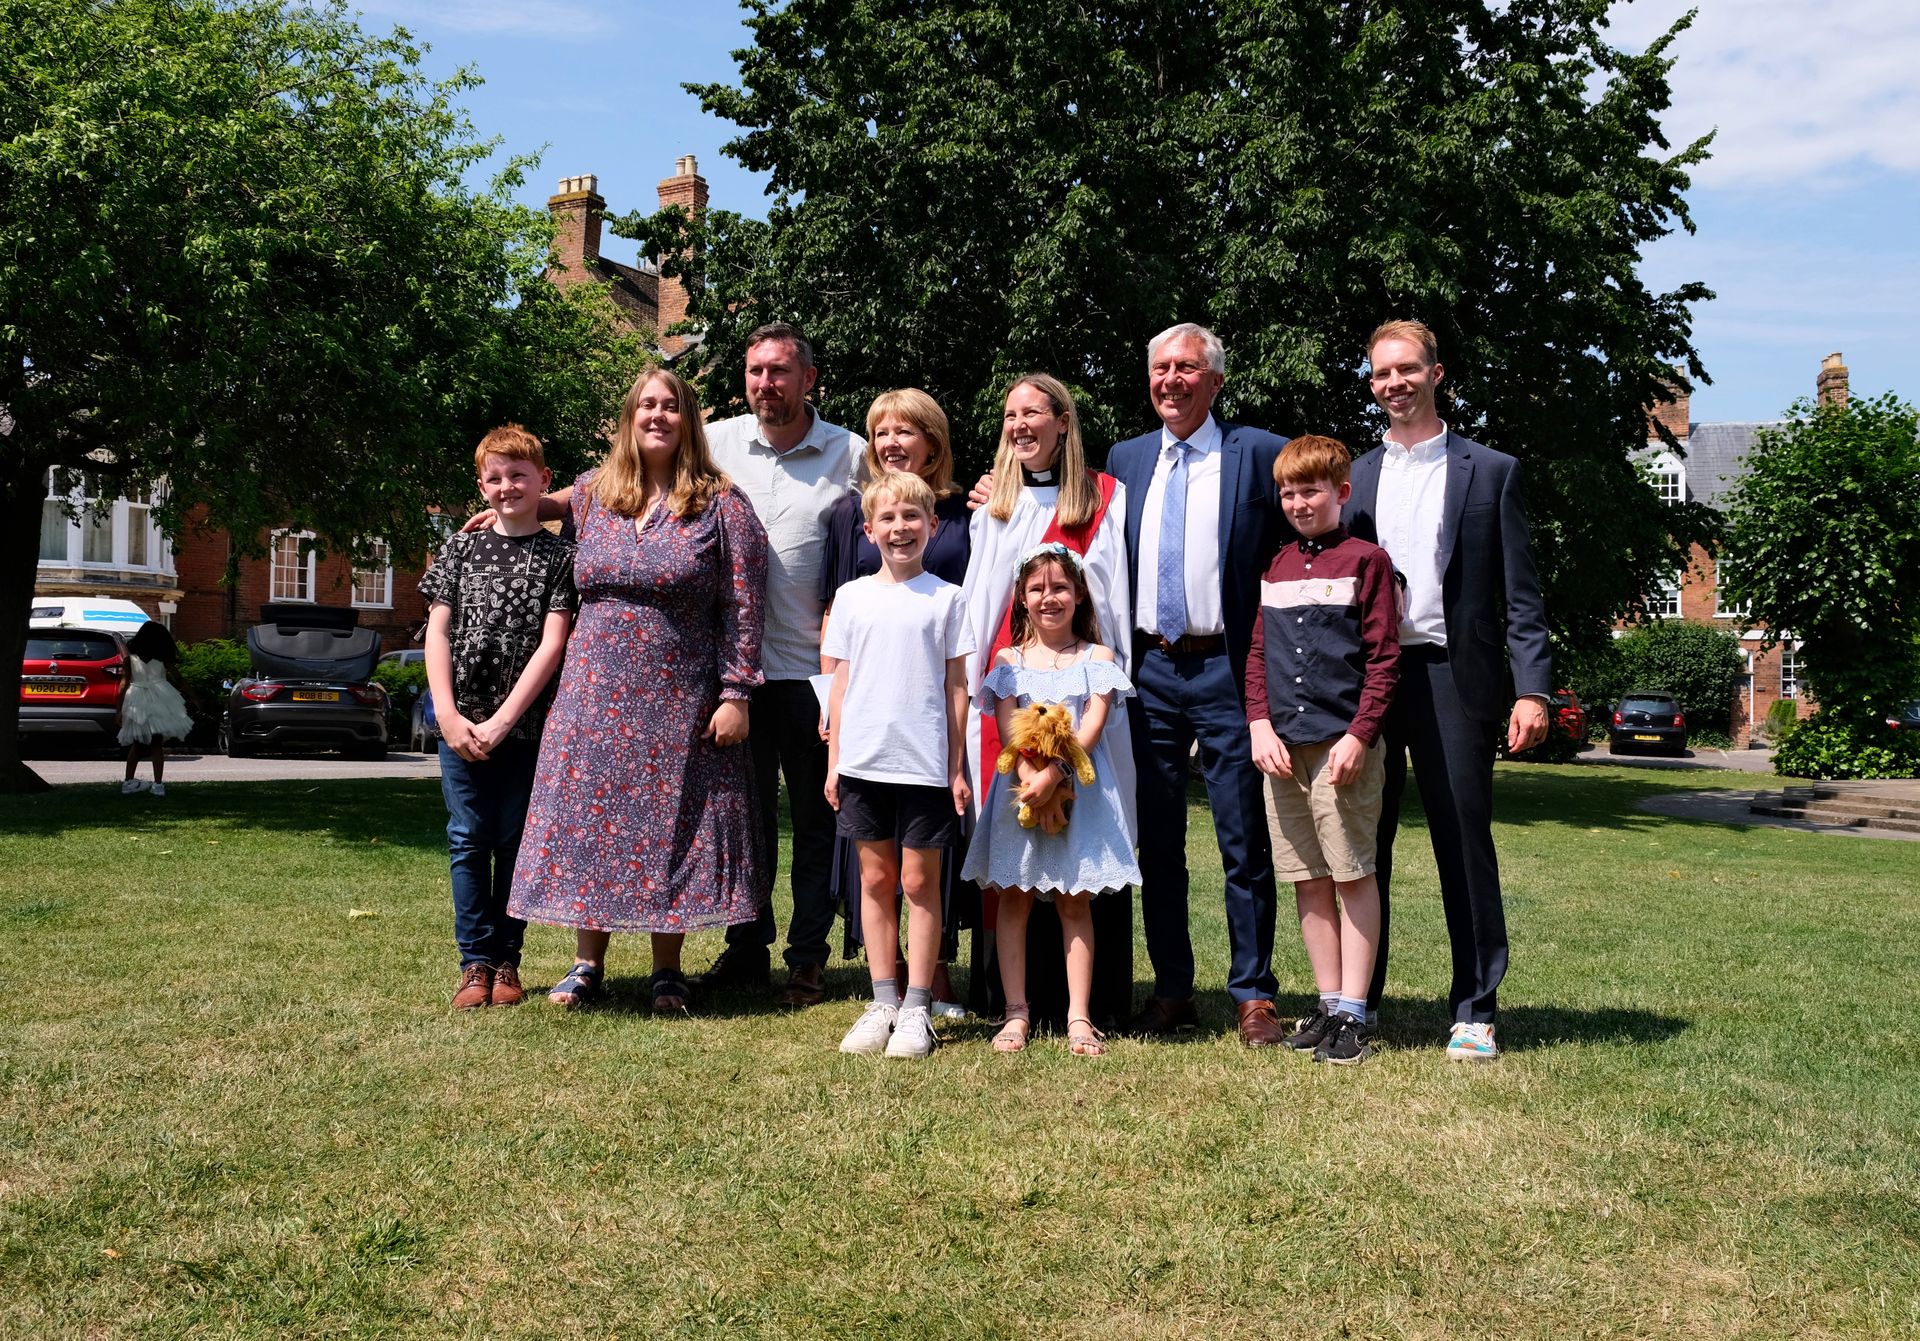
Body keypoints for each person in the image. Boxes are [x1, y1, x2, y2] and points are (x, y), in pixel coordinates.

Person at [507, 367, 770, 1012]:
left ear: (689, 420)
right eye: (646, 405)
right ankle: (585, 964)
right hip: (593, 692)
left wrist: (736, 693)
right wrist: (505, 506)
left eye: (671, 406)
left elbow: (743, 603)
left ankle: (667, 970)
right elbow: (540, 502)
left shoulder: (721, 503)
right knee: (593, 824)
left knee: (670, 825)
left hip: (679, 696)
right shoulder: (597, 495)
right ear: (629, 418)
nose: (658, 415)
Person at [1342, 319, 1551, 1060]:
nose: (1392, 383)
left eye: (1405, 369)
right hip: (1369, 678)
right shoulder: (1354, 476)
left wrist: (1533, 691)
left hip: (1451, 676)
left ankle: (1474, 1005)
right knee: (1362, 839)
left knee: (1463, 839)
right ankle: (1354, 1002)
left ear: (1436, 373)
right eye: (1379, 373)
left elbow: (1520, 597)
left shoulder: (1491, 471)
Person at [1106, 323, 1293, 1046]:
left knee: (1242, 840)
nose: (1171, 380)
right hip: (1146, 671)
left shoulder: (1259, 455)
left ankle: (1253, 995)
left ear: (1215, 380)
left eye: (1186, 367)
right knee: (1156, 843)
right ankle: (1174, 989)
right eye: (1160, 368)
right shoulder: (1124, 460)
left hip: (1230, 667)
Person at [700, 322, 869, 1006]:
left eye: (779, 371)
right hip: (734, 675)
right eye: (755, 371)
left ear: (809, 378)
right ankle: (746, 944)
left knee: (815, 817)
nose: (765, 383)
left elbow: (906, 508)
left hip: (816, 673)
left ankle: (807, 954)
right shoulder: (715, 444)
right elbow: (630, 473)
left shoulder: (851, 453)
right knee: (742, 818)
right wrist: (548, 501)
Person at [959, 373, 1134, 1029]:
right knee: (1013, 866)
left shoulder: (1101, 499)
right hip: (1008, 700)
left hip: (1083, 706)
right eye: (1010, 415)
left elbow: (1110, 602)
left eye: (1032, 412)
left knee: (1081, 858)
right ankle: (1012, 1004)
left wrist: (1106, 698)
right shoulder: (993, 506)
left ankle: (1088, 1007)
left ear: (1063, 421)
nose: (1019, 424)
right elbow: (980, 608)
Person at [1244, 435, 1399, 1065]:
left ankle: (1356, 1016)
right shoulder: (1276, 566)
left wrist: (1360, 735)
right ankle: (1329, 1003)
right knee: (1307, 879)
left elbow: (1385, 658)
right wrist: (1259, 724)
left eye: (1311, 490)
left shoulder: (1368, 561)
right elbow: (1258, 655)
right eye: (1288, 492)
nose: (1300, 502)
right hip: (1283, 748)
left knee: (1352, 873)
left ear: (1341, 492)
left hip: (1342, 745)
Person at [819, 389, 974, 1015]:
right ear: (870, 528)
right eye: (880, 432)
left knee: (919, 880)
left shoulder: (950, 581)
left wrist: (957, 764)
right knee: (876, 877)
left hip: (925, 750)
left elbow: (957, 682)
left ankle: (919, 998)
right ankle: (884, 998)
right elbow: (840, 668)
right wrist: (834, 749)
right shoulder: (854, 584)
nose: (891, 443)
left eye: (905, 431)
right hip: (865, 750)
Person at [420, 424, 576, 1010]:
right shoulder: (459, 549)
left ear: (544, 481)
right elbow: (437, 630)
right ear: (480, 486)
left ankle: (508, 959)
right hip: (458, 721)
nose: (507, 486)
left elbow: (552, 643)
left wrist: (505, 721)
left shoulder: (563, 556)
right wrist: (447, 712)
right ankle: (474, 963)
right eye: (495, 477)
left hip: (526, 726)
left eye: (518, 475)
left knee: (513, 841)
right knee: (467, 839)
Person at [964, 543, 1140, 1057]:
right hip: (1019, 792)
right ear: (1021, 598)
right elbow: (1007, 729)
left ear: (1079, 593)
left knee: (1073, 900)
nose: (1049, 598)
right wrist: (1030, 780)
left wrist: (1057, 776)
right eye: (1037, 589)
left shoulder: (1097, 657)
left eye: (1060, 587)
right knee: (1014, 899)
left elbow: (1091, 726)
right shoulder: (1008, 661)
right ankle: (1016, 1011)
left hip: (1080, 792)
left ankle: (1078, 1017)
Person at [116, 621, 193, 797]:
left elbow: (123, 683)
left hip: (136, 699)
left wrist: (118, 710)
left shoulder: (130, 659)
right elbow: (179, 680)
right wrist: (194, 697)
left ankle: (128, 781)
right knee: (157, 743)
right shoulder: (163, 660)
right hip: (160, 698)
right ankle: (158, 785)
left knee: (137, 743)